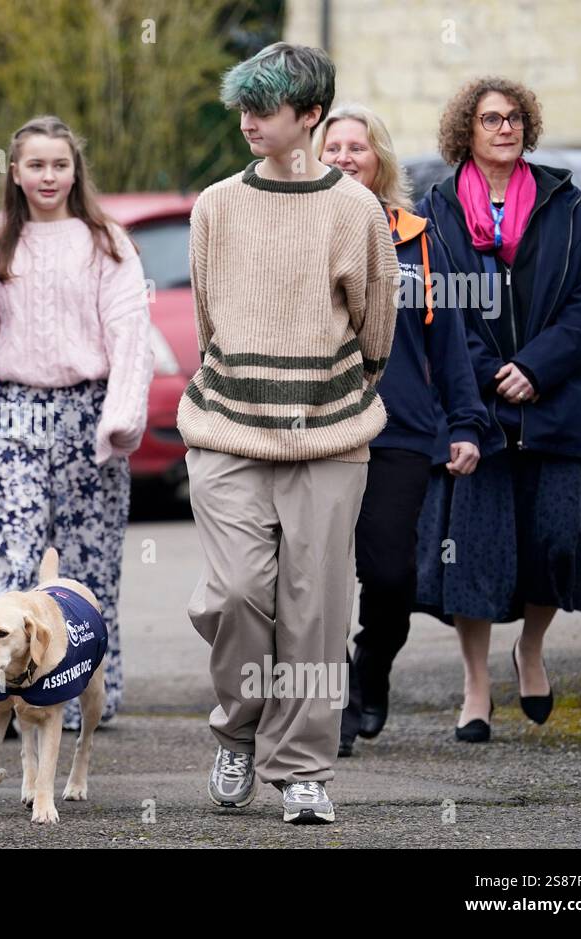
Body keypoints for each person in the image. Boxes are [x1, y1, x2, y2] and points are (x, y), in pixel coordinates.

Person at [183, 43, 398, 824]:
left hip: (331, 434)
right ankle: (237, 731)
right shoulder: (215, 204)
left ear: (310, 115)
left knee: (315, 608)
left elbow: (378, 327)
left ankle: (303, 767)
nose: (248, 122)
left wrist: (332, 395)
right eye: (242, 107)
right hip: (227, 426)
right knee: (238, 592)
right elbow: (210, 317)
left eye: (264, 109)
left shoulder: (355, 207)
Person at [414, 77, 581, 742]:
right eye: (490, 119)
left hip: (557, 403)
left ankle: (530, 648)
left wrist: (535, 368)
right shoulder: (441, 206)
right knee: (475, 555)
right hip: (475, 406)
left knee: (560, 541)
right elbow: (441, 304)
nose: (504, 128)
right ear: (468, 131)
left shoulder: (565, 203)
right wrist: (488, 374)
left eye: (513, 117)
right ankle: (476, 683)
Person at [0, 115, 153, 733]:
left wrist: (121, 416)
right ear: (14, 173)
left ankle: (87, 687)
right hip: (16, 411)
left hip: (87, 413)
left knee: (86, 564)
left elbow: (131, 336)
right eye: (35, 165)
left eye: (60, 164)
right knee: (14, 553)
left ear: (76, 171)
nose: (48, 176)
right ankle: (2, 683)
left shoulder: (108, 243)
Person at [316, 105, 489, 757]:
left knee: (390, 579)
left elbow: (448, 343)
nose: (343, 158)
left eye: (356, 147)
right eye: (332, 147)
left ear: (379, 158)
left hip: (402, 433)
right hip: (321, 433)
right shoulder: (303, 230)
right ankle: (335, 706)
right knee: (322, 579)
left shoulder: (417, 239)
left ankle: (373, 669)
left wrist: (467, 422)